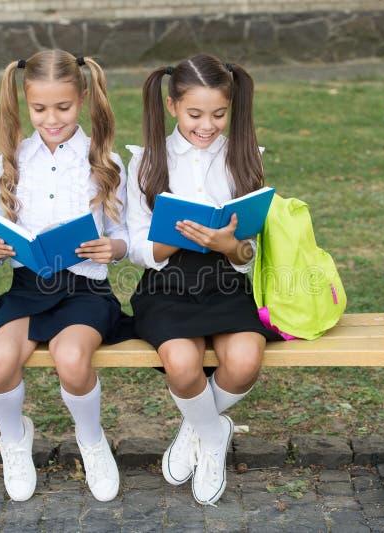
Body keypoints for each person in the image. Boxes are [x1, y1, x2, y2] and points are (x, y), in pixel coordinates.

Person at [125, 54, 282, 506]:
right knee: (182, 364)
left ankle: (198, 423)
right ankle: (213, 436)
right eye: (195, 114)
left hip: (225, 281)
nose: (207, 125)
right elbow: (138, 248)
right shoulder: (147, 162)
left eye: (218, 114)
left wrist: (228, 246)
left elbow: (248, 252)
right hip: (167, 283)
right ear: (173, 106)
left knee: (246, 360)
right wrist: (173, 238)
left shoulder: (243, 159)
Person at [0, 50, 129, 503]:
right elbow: (4, 236)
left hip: (86, 290)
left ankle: (92, 440)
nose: (51, 118)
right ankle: (14, 438)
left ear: (82, 98)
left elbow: (124, 236)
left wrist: (113, 248)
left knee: (71, 359)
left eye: (62, 107)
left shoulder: (104, 160)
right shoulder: (12, 161)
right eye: (39, 108)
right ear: (26, 103)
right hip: (29, 289)